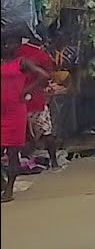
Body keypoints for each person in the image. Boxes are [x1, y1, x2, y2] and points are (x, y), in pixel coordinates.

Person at [2, 31, 53, 202]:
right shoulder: (3, 62)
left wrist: (26, 90)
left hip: (15, 111)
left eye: (11, 43)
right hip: (2, 110)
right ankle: (4, 184)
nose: (8, 46)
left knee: (12, 152)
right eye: (6, 43)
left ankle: (8, 190)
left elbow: (43, 75)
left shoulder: (22, 62)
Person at [17, 35, 58, 169]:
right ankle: (54, 162)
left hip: (17, 101)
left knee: (22, 135)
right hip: (35, 101)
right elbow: (47, 77)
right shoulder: (41, 55)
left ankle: (23, 161)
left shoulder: (15, 52)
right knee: (46, 132)